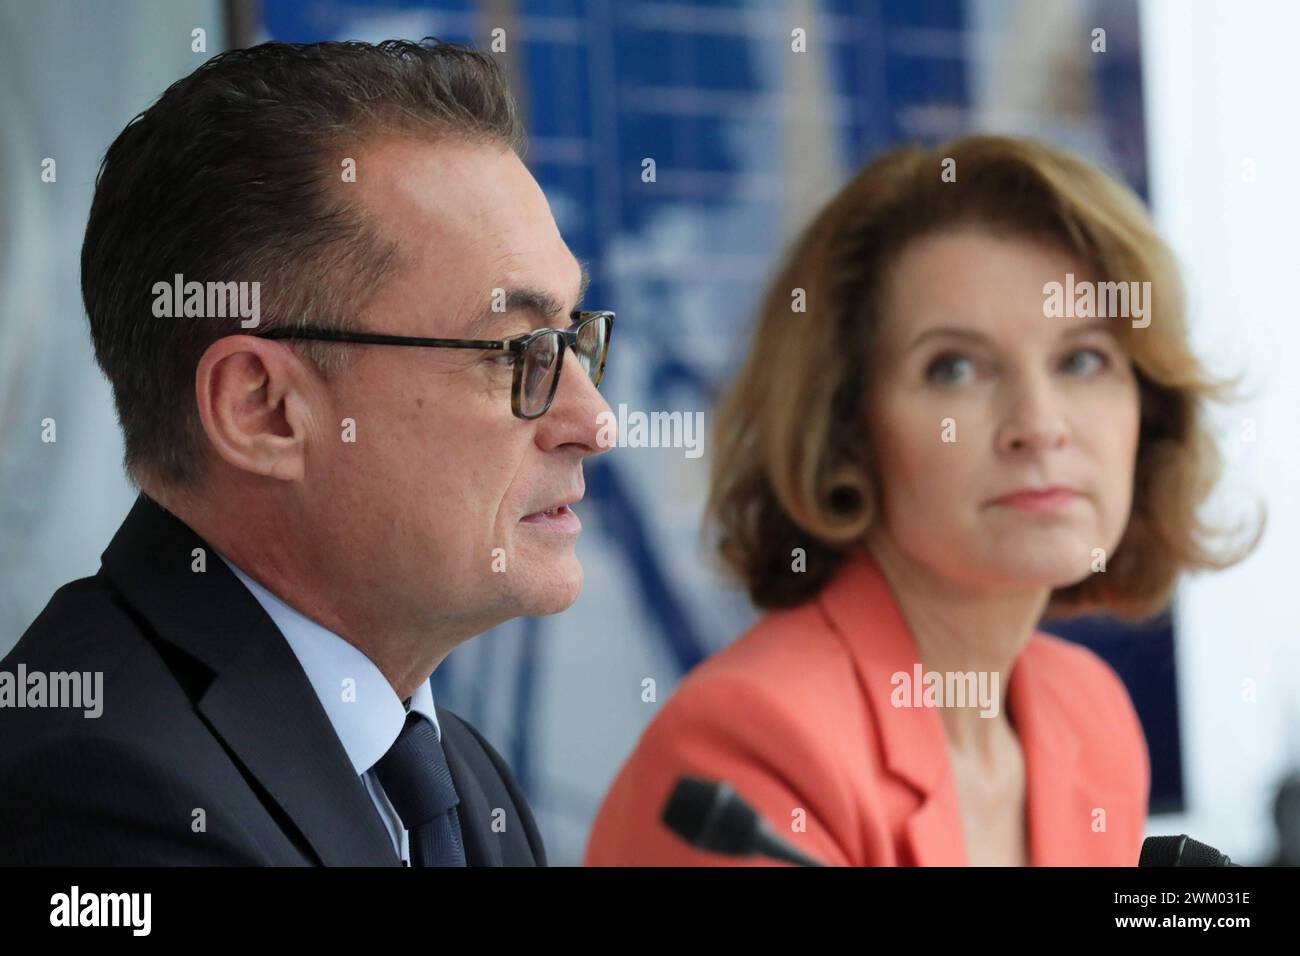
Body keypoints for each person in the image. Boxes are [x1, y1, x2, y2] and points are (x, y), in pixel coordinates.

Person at [0, 39, 615, 866]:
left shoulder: (464, 778)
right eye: (515, 349)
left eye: (574, 339)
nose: (594, 420)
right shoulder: (96, 793)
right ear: (262, 409)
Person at [585, 135, 1258, 866]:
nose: (1038, 425)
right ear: (844, 430)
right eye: (956, 368)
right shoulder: (753, 744)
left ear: (1147, 411)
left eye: (1082, 359)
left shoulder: (1087, 716)